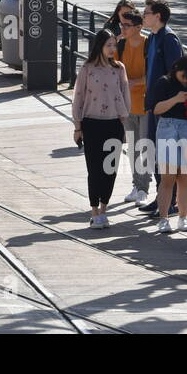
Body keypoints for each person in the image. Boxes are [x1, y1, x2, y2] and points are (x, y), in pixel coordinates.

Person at [71, 29, 132, 229]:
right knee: (94, 169)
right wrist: (77, 126)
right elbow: (78, 96)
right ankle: (94, 210)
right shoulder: (88, 68)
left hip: (114, 123)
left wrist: (124, 119)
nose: (113, 49)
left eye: (114, 45)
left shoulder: (119, 68)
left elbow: (125, 94)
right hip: (91, 123)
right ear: (99, 46)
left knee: (110, 169)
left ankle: (104, 209)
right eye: (109, 45)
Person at [146, 55, 187, 233]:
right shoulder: (164, 82)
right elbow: (156, 109)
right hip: (167, 126)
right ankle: (163, 218)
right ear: (176, 70)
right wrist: (176, 99)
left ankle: (183, 218)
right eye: (183, 75)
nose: (186, 80)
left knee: (185, 177)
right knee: (167, 177)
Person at [140, 0, 183, 215]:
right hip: (153, 105)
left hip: (166, 108)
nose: (143, 16)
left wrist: (169, 103)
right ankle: (161, 198)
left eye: (146, 12)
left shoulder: (169, 39)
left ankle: (171, 202)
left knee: (166, 155)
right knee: (155, 153)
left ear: (158, 16)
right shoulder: (153, 37)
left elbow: (177, 75)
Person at [116, 12, 150, 204]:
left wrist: (134, 81)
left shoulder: (148, 45)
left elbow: (153, 74)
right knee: (132, 147)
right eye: (121, 25)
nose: (123, 28)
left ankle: (144, 188)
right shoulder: (121, 45)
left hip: (145, 104)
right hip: (127, 104)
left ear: (139, 27)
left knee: (144, 147)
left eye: (126, 25)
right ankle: (136, 185)